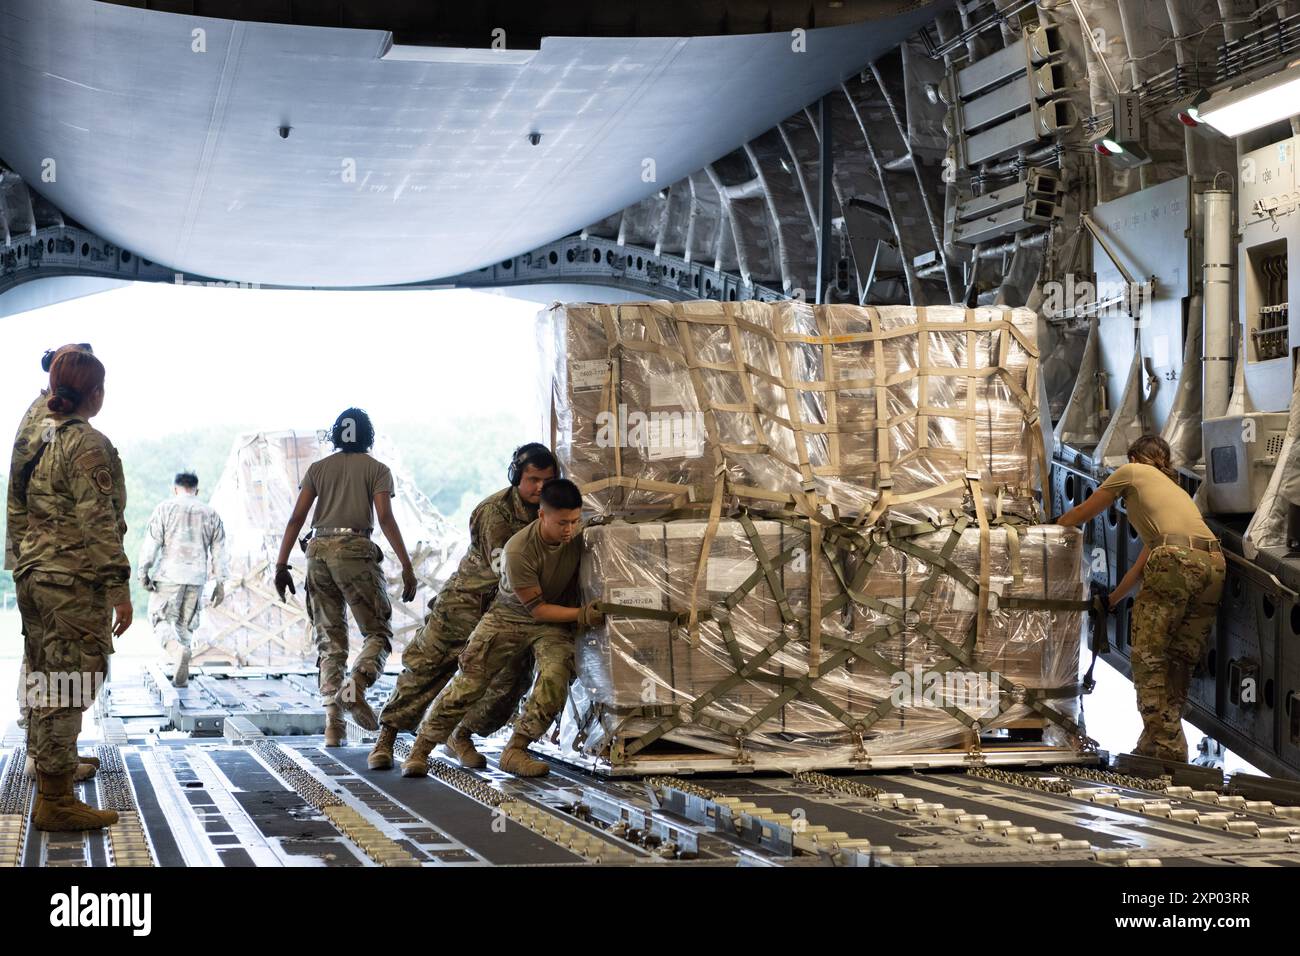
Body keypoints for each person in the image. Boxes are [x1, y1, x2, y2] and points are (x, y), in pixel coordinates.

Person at [368, 443, 558, 771]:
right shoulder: (495, 512)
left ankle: (462, 733)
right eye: (533, 479)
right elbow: (506, 571)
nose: (540, 487)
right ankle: (387, 736)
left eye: (547, 480)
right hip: (466, 605)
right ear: (516, 477)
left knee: (511, 684)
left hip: (510, 612)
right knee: (425, 670)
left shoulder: (554, 510)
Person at [401, 478, 603, 778]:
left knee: (556, 676)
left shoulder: (580, 535)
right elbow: (537, 609)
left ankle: (516, 750)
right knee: (469, 682)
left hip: (554, 622)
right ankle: (421, 749)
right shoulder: (518, 550)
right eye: (562, 523)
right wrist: (582, 615)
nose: (569, 530)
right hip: (511, 616)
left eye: (575, 521)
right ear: (542, 515)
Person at [13, 350, 131, 831]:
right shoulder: (86, 443)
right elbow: (98, 522)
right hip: (70, 582)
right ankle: (56, 801)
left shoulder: (40, 436)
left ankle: (51, 773)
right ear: (96, 395)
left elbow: (18, 501)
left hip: (35, 575)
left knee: (45, 681)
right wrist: (119, 588)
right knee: (70, 684)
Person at [1057, 435, 1226, 763]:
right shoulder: (1172, 494)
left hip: (1175, 559)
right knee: (1178, 660)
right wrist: (1114, 599)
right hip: (1213, 564)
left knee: (1148, 656)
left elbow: (1084, 510)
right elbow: (1147, 560)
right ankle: (1153, 743)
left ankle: (1168, 747)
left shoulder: (1132, 471)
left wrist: (1052, 528)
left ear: (1135, 455)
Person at [273, 408, 417, 746]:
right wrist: (407, 565)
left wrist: (281, 566)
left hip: (317, 552)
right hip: (355, 549)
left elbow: (296, 518)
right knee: (377, 631)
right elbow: (384, 517)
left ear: (337, 434)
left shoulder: (318, 469)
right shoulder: (377, 470)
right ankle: (358, 683)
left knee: (330, 640)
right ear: (368, 436)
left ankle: (333, 725)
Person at [7, 343, 102, 783]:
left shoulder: (47, 415)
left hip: (40, 558)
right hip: (55, 564)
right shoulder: (47, 419)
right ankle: (47, 763)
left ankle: (50, 759)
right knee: (60, 671)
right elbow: (26, 485)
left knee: (52, 667)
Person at [138, 471, 229, 687]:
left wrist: (144, 572)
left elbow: (151, 544)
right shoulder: (211, 514)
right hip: (197, 578)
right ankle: (182, 676)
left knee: (159, 618)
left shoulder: (165, 508)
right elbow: (219, 551)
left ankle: (176, 650)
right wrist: (220, 583)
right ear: (197, 490)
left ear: (175, 488)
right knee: (185, 625)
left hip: (169, 575)